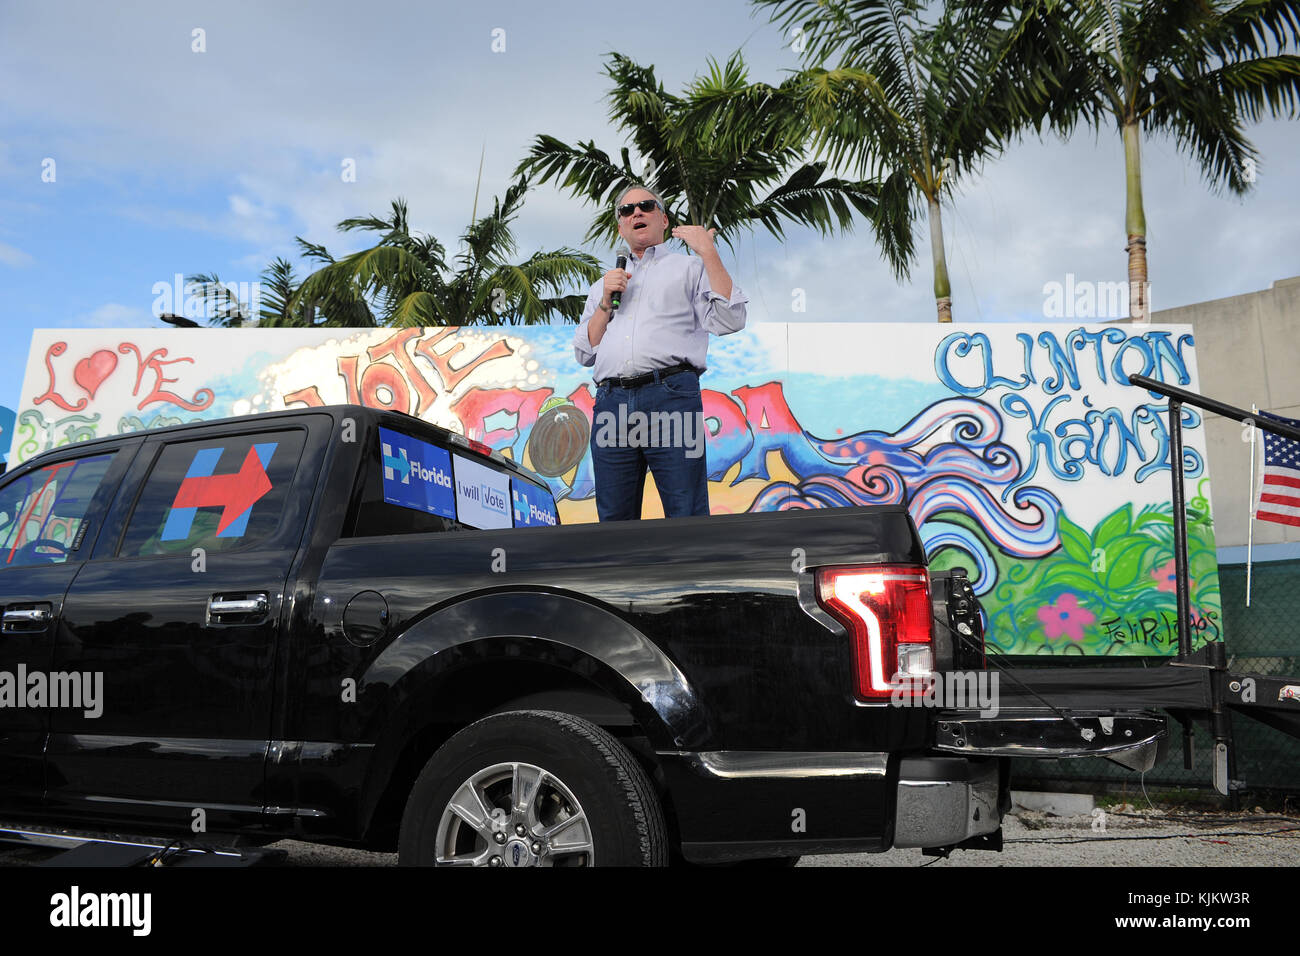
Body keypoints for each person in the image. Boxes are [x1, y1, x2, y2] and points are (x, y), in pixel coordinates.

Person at [573, 185, 748, 520]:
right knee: (614, 520)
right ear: (621, 227)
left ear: (664, 219)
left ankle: (691, 575)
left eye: (646, 206)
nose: (636, 213)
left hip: (671, 395)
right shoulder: (604, 284)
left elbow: (731, 318)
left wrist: (708, 253)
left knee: (686, 513)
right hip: (612, 402)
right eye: (627, 210)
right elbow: (584, 351)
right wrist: (605, 304)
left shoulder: (690, 268)